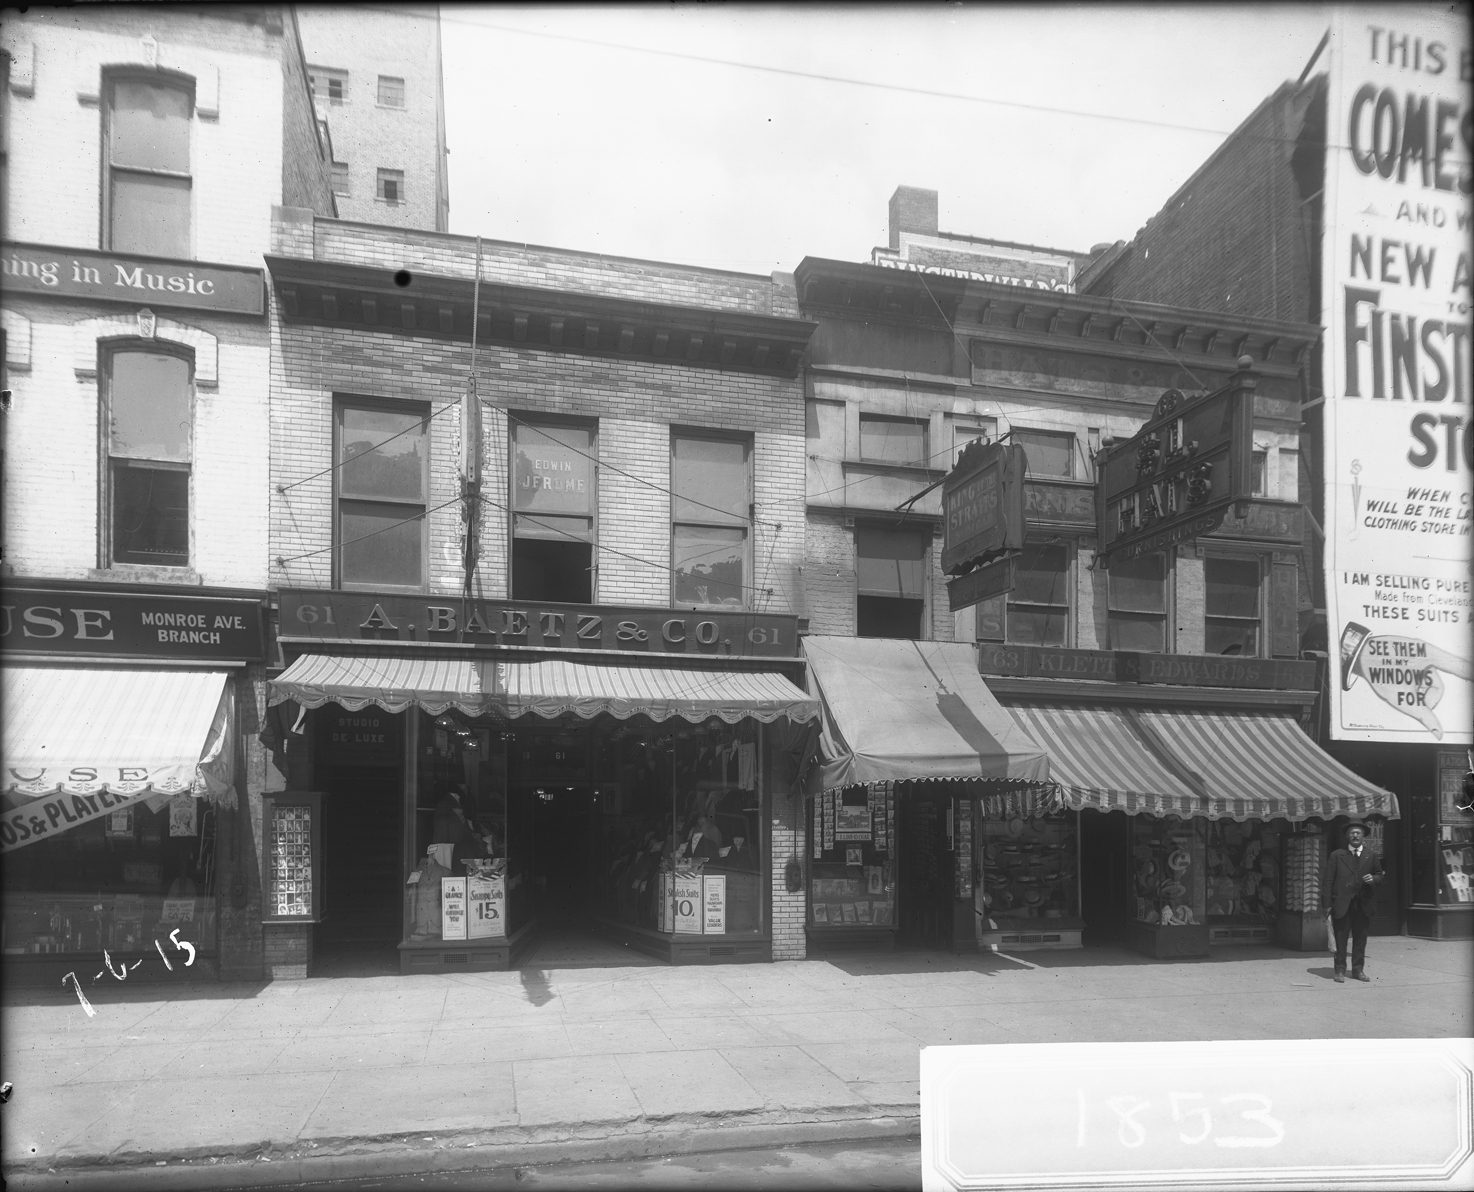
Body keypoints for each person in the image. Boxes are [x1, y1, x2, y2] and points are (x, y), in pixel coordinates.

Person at [1322, 821, 1383, 983]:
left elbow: (1379, 875)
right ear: (1347, 836)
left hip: (1363, 904)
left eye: (1358, 833)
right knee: (1341, 939)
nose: (1355, 836)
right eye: (1352, 833)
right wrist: (1327, 905)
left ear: (1363, 837)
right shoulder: (1337, 855)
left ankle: (1358, 970)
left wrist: (1374, 879)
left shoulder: (1371, 855)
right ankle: (1340, 970)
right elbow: (1328, 880)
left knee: (1360, 938)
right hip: (1342, 903)